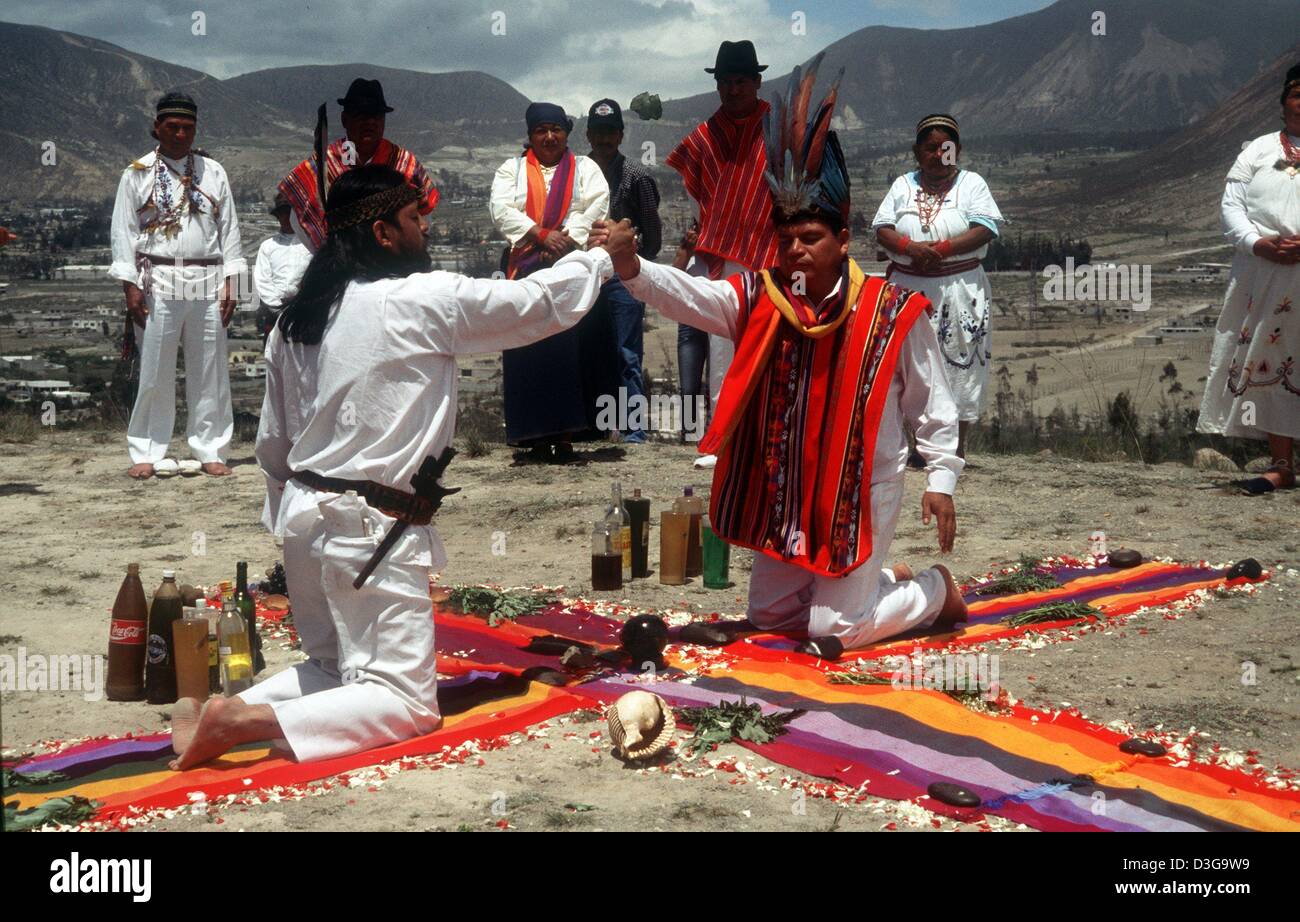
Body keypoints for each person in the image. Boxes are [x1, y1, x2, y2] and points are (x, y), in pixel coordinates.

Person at [169, 165, 618, 769]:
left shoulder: (296, 321)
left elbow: (272, 448)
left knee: (333, 667)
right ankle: (244, 719)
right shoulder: (422, 298)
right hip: (372, 527)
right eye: (414, 218)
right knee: (408, 703)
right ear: (382, 232)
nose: (426, 227)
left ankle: (225, 707)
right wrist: (599, 258)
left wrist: (290, 521)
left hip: (304, 518)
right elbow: (540, 304)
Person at [589, 61, 968, 657]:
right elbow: (695, 296)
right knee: (769, 617)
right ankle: (874, 585)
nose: (794, 250)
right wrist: (632, 268)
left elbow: (931, 403)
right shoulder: (761, 298)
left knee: (833, 631)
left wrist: (941, 478)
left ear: (842, 241)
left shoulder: (890, 309)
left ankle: (932, 590)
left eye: (810, 238)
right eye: (786, 238)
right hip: (789, 488)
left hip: (862, 488)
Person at [109, 91, 245, 480]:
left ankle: (211, 448)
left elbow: (231, 230)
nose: (180, 134)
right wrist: (129, 286)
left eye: (187, 127)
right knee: (154, 366)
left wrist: (234, 283)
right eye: (173, 127)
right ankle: (147, 451)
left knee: (210, 368)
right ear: (157, 127)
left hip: (208, 277)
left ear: (195, 129)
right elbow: (123, 232)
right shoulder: (136, 172)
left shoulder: (213, 172)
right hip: (158, 278)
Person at [667, 40, 780, 468]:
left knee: (773, 345)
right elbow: (699, 197)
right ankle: (723, 440)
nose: (732, 90)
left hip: (775, 253)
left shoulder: (779, 127)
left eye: (740, 81)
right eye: (724, 82)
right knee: (722, 349)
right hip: (722, 256)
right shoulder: (704, 136)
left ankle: (772, 440)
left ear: (757, 81)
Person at [873, 115, 1002, 460]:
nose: (937, 154)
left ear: (957, 151)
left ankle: (955, 449)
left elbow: (985, 228)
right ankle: (919, 447)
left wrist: (940, 250)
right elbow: (882, 227)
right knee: (913, 365)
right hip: (908, 289)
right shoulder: (903, 185)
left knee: (960, 366)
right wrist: (909, 248)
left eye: (945, 148)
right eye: (929, 148)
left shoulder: (971, 184)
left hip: (959, 288)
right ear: (917, 152)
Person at [489, 102, 612, 461]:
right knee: (527, 345)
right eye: (541, 130)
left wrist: (566, 239)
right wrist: (540, 235)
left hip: (570, 263)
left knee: (567, 349)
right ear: (529, 136)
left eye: (555, 129)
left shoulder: (585, 168)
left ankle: (568, 434)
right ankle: (534, 435)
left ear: (566, 133)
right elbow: (501, 209)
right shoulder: (510, 171)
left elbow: (596, 205)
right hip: (524, 262)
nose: (549, 136)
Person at [1198, 63, 1300, 494]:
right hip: (1263, 272)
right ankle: (1282, 465)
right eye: (1297, 92)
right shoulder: (1256, 151)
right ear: (1282, 103)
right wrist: (1255, 243)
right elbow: (1231, 206)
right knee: (1270, 360)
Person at [278, 78, 439, 253]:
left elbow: (424, 213)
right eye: (361, 114)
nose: (370, 121)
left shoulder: (404, 163)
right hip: (341, 264)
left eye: (376, 115)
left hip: (393, 263)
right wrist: (326, 252)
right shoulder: (324, 165)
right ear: (344, 120)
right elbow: (298, 215)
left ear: (384, 120)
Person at [587, 98, 662, 443]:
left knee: (626, 353)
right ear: (589, 134)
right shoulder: (577, 174)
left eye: (610, 133)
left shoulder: (636, 175)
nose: (604, 140)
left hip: (621, 278)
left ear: (620, 135)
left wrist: (629, 260)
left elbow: (653, 233)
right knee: (589, 349)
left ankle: (633, 431)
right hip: (585, 275)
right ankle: (595, 427)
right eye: (598, 133)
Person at [253, 192, 311, 340]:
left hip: (307, 313)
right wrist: (279, 308)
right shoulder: (267, 247)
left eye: (289, 213)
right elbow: (262, 281)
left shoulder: (311, 245)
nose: (286, 217)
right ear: (278, 216)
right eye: (282, 213)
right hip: (275, 316)